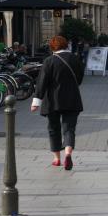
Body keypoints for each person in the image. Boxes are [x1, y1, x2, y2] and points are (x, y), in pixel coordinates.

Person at [30, 35, 84, 170]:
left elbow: (42, 82)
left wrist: (36, 101)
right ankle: (68, 153)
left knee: (53, 128)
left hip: (53, 101)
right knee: (69, 128)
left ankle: (57, 158)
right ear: (66, 45)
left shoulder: (49, 61)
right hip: (72, 99)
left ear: (53, 47)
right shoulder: (75, 59)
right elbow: (79, 80)